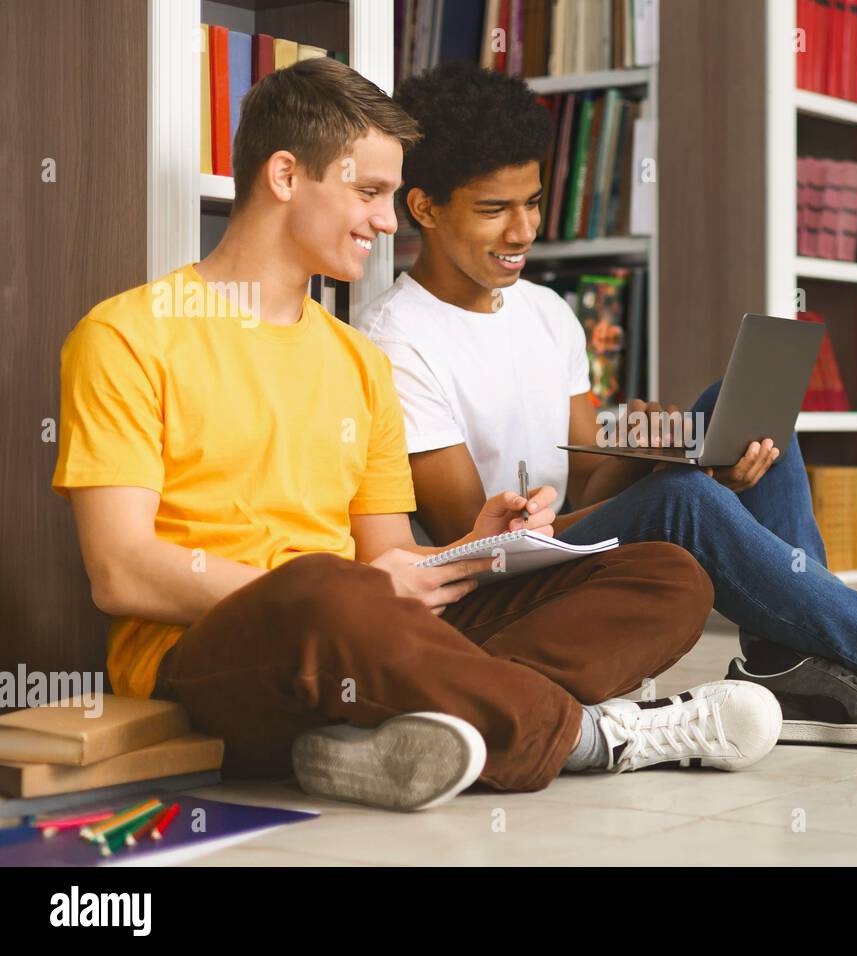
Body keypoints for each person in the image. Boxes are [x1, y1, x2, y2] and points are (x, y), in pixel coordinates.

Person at [51, 58, 782, 813]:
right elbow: (123, 571)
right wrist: (356, 589)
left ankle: (393, 729)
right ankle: (587, 737)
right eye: (368, 193)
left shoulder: (358, 363)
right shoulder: (128, 337)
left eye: (393, 197)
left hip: (365, 629)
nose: (389, 221)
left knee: (665, 576)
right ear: (284, 176)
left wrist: (474, 544)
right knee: (321, 586)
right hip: (216, 656)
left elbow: (385, 557)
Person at [356, 61, 857, 747]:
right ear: (423, 208)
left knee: (722, 414)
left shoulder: (549, 312)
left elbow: (589, 481)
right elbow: (482, 545)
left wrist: (648, 445)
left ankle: (787, 663)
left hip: (574, 544)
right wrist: (668, 490)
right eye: (494, 210)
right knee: (678, 498)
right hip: (498, 588)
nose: (523, 229)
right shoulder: (398, 341)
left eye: (532, 203)